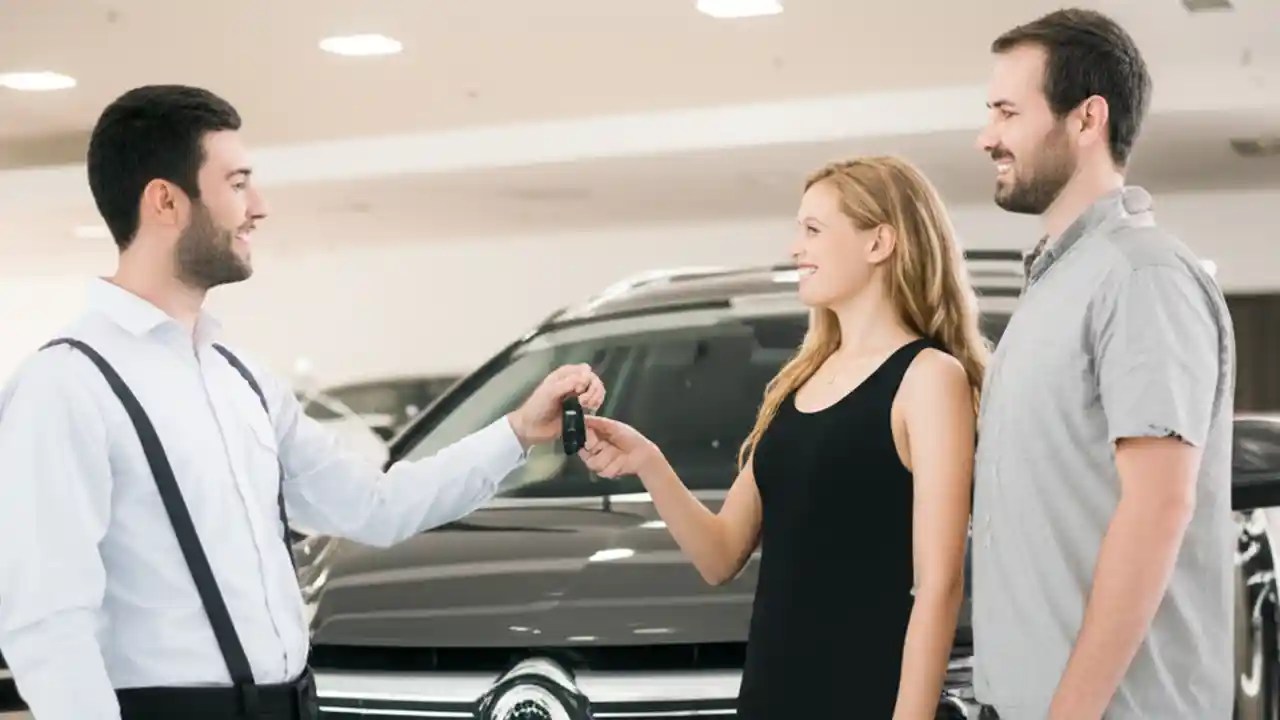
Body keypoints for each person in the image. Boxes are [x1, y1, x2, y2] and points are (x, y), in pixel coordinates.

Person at [0, 84, 605, 720]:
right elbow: (47, 626)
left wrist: (514, 431)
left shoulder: (243, 378)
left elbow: (377, 506)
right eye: (237, 184)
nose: (257, 207)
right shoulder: (67, 385)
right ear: (165, 200)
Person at [578, 155, 988, 718]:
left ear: (879, 243)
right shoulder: (799, 381)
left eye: (813, 230)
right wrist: (650, 462)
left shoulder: (929, 379)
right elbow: (720, 556)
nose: (796, 249)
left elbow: (940, 587)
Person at [970, 9, 1236, 720]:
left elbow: (1159, 506)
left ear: (1087, 119)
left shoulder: (1140, 276)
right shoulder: (1056, 287)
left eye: (1005, 111)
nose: (985, 136)